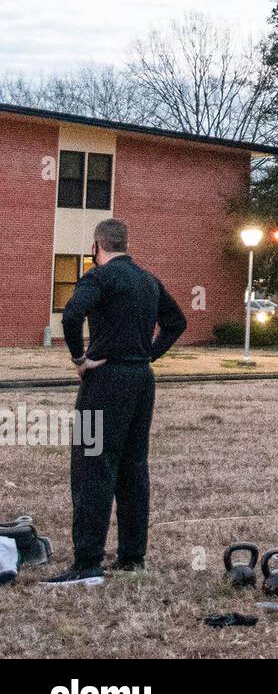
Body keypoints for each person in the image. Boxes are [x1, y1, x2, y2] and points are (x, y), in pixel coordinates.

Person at [44, 218, 187, 586]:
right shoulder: (147, 280)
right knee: (133, 467)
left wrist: (79, 359)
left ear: (97, 247)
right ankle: (132, 556)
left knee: (92, 465)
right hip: (141, 381)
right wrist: (148, 355)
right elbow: (177, 322)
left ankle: (88, 562)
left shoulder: (99, 277)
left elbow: (72, 314)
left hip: (104, 380)